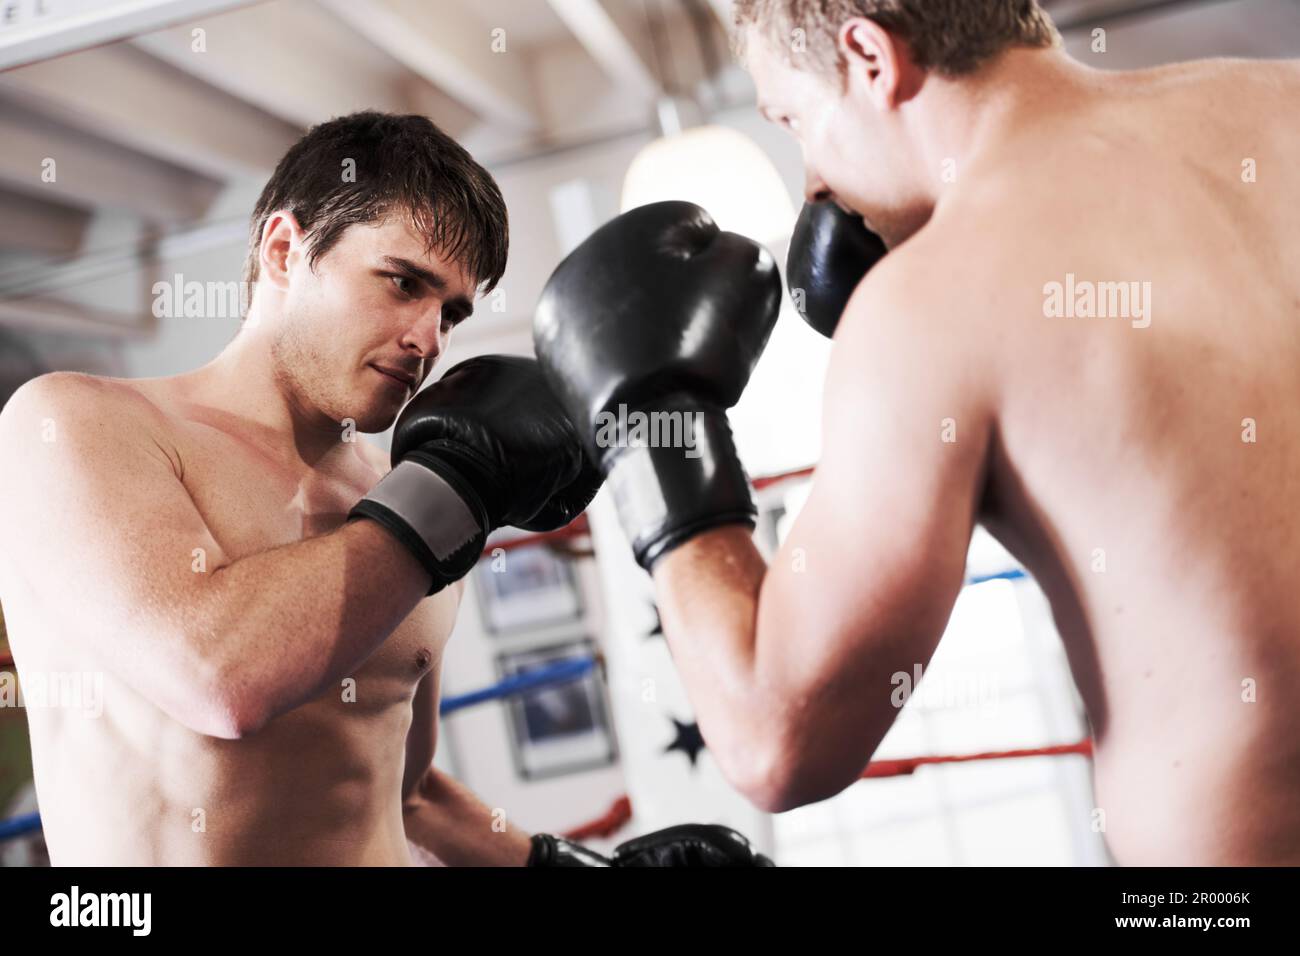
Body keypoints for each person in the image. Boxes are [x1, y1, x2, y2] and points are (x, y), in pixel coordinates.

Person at [534, 0, 1300, 865]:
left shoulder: (934, 298)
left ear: (869, 57)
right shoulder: (1283, 100)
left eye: (794, 122)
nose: (815, 181)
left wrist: (653, 424)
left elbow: (772, 739)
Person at [0, 111, 767, 867]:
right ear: (282, 250)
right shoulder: (77, 425)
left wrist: (559, 865)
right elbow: (218, 675)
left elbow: (409, 794)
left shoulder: (414, 497)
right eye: (403, 283)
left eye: (452, 314)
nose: (429, 338)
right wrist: (452, 493)